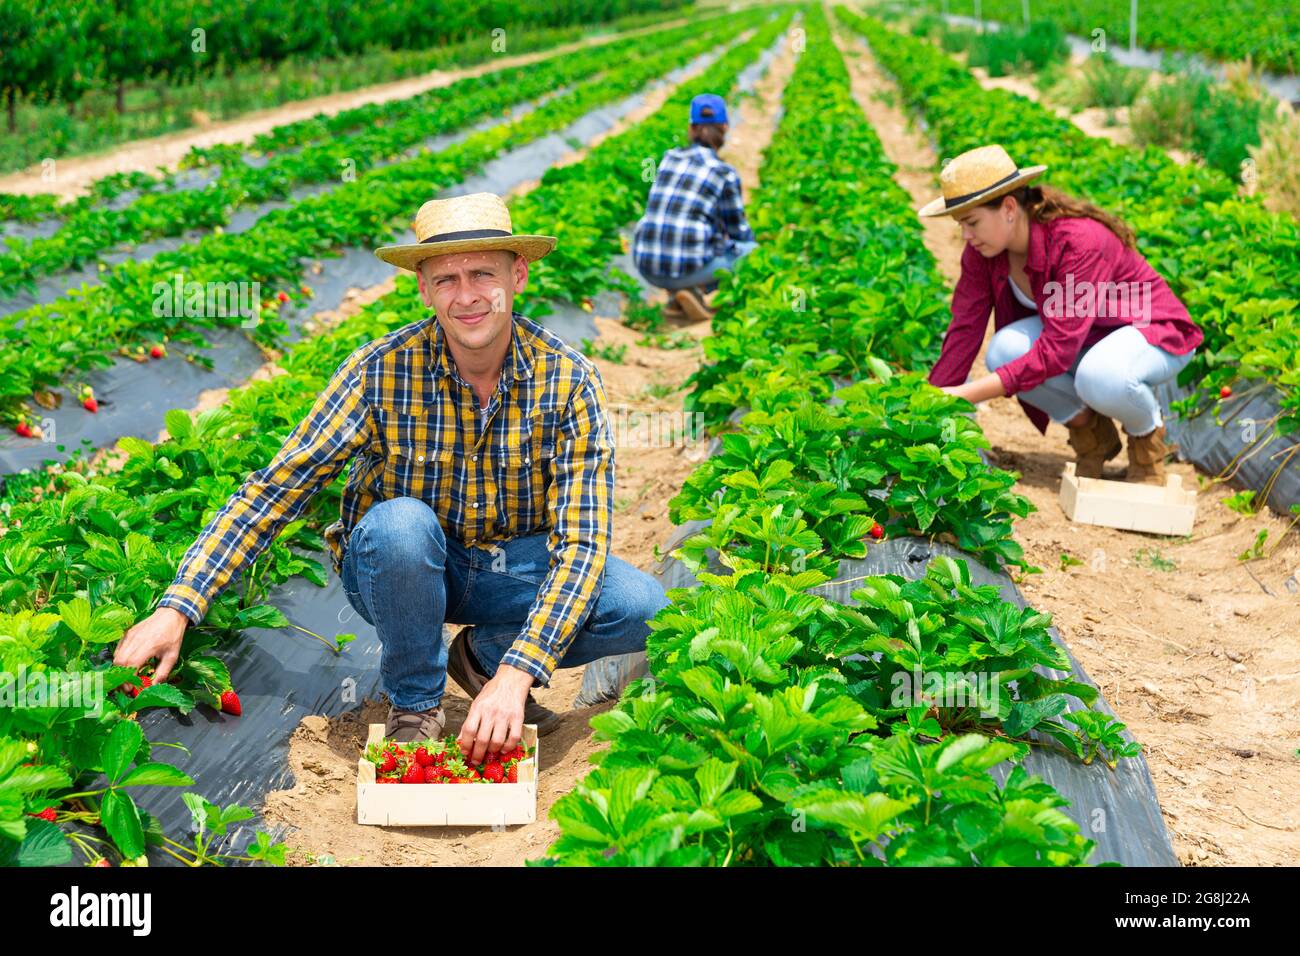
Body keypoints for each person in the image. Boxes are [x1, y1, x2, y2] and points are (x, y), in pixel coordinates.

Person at [114, 192, 670, 762]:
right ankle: (416, 703)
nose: (467, 295)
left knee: (643, 605)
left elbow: (582, 544)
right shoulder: (379, 370)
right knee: (401, 525)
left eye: (484, 273)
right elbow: (279, 488)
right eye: (447, 279)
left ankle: (482, 660)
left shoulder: (568, 380)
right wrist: (177, 605)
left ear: (518, 275)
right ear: (425, 289)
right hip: (400, 568)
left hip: (513, 569)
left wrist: (517, 673)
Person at [921, 145, 1203, 484]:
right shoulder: (982, 254)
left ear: (1009, 208)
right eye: (960, 225)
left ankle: (1146, 438)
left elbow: (1057, 350)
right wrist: (934, 400)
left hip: (1150, 332)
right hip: (1085, 340)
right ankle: (1093, 435)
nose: (966, 236)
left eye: (972, 222)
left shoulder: (1077, 242)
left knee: (1101, 376)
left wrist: (966, 395)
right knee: (1004, 350)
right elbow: (965, 328)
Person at [632, 92, 757, 322]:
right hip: (686, 267)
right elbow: (739, 231)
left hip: (645, 265)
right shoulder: (724, 173)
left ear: (691, 128)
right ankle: (692, 289)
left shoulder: (668, 158)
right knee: (750, 252)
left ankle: (678, 298)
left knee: (686, 230)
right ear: (725, 128)